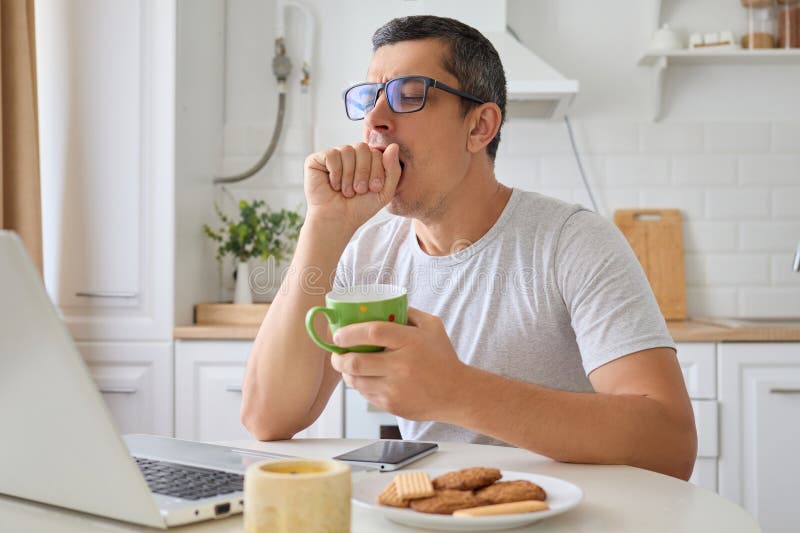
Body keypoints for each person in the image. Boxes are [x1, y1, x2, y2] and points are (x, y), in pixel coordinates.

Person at [241, 15, 697, 480]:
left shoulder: (573, 242)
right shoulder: (367, 254)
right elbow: (266, 418)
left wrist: (456, 390)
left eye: (408, 94)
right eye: (370, 98)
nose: (375, 120)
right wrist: (323, 225)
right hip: (432, 512)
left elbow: (670, 444)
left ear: (479, 127)